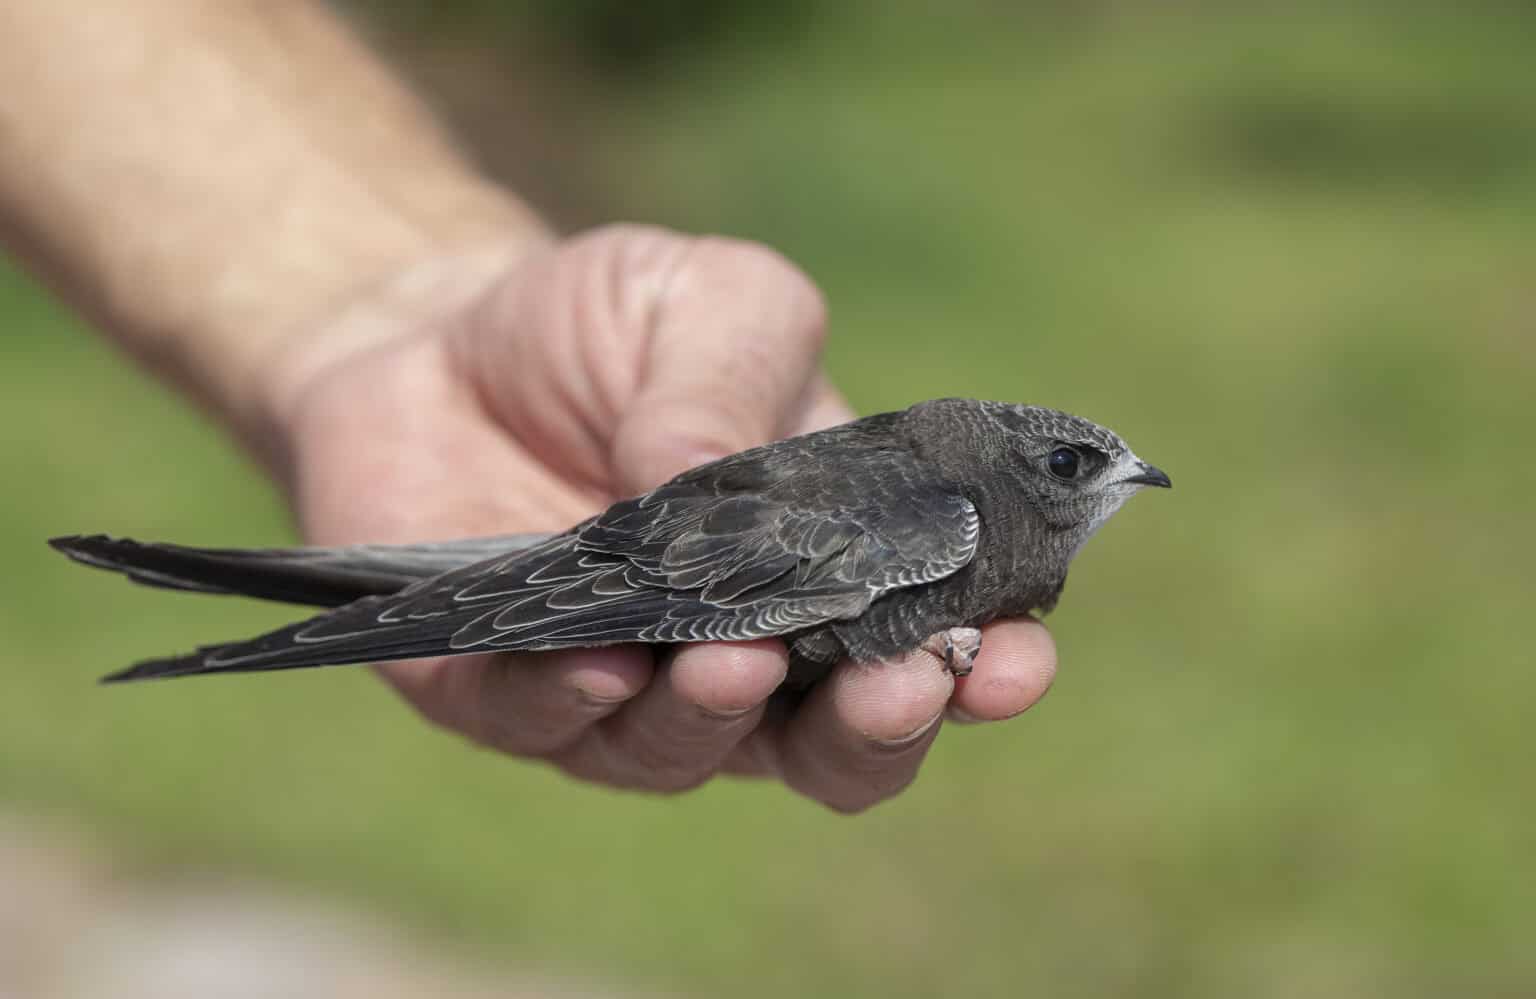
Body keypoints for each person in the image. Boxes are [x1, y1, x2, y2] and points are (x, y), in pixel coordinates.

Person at [0, 0, 1056, 812]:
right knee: (649, 639)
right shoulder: (936, 512)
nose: (1119, 485)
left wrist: (375, 310)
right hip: (655, 546)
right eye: (1076, 465)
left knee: (719, 668)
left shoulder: (961, 510)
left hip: (640, 546)